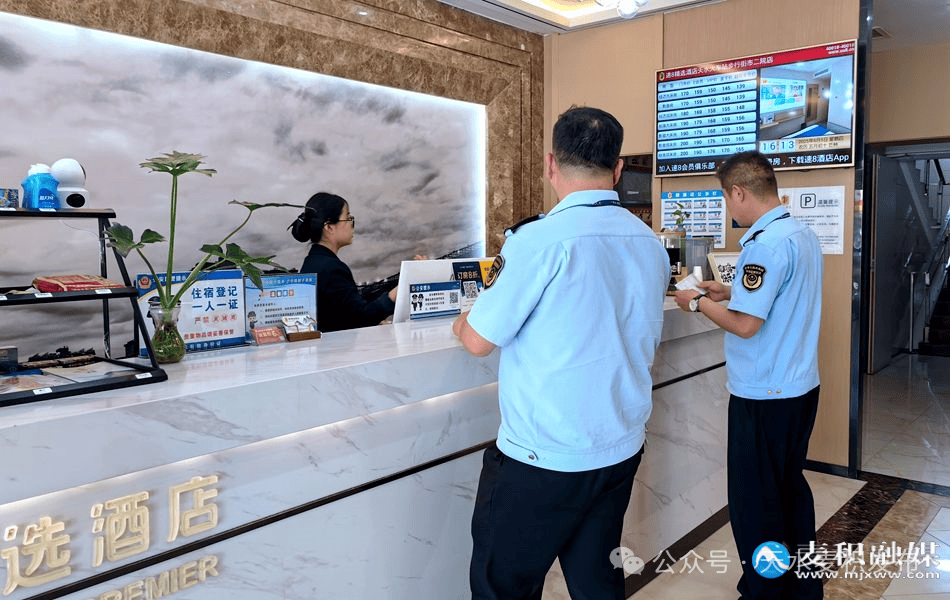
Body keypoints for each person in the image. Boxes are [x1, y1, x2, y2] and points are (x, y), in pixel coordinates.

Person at [452, 106, 670, 599]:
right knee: (596, 582)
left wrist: (460, 320)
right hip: (619, 447)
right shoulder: (649, 242)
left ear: (550, 163)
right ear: (617, 169)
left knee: (502, 587)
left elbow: (478, 340)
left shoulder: (539, 241)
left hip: (542, 456)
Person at [674, 151, 824, 600]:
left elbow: (745, 325)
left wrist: (697, 302)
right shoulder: (799, 233)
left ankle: (764, 592)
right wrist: (729, 290)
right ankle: (802, 589)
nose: (728, 208)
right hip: (800, 388)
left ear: (739, 192)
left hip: (764, 396)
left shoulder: (764, 245)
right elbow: (778, 298)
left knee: (756, 505)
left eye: (726, 198)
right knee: (790, 491)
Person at [289, 192, 396, 332]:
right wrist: (393, 297)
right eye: (348, 218)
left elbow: (344, 311)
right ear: (329, 227)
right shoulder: (332, 268)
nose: (352, 225)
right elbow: (360, 318)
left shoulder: (313, 262)